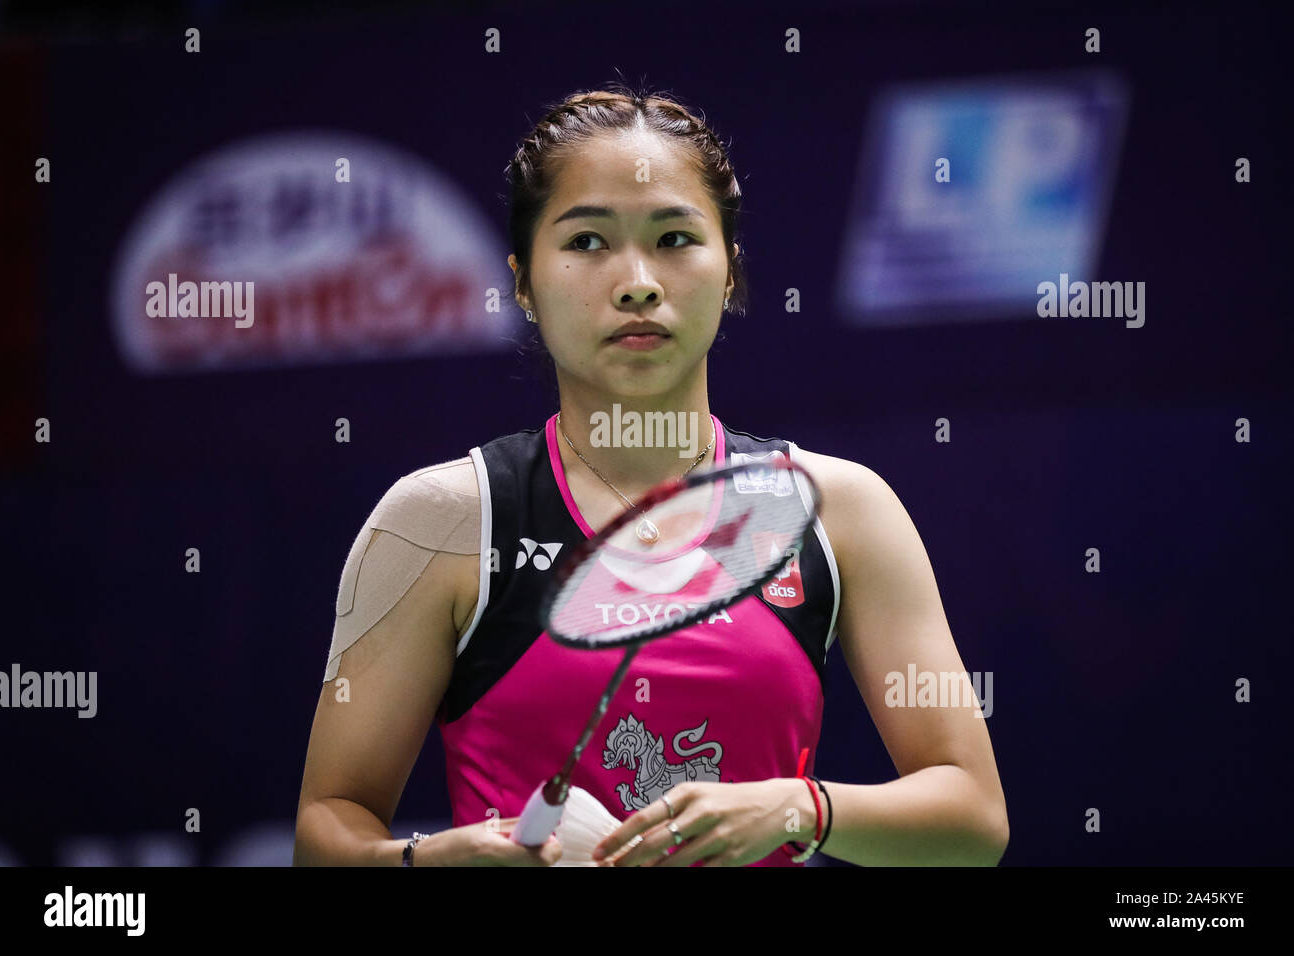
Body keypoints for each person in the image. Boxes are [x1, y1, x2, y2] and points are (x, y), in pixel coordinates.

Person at [293, 84, 1008, 867]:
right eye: (588, 242)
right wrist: (424, 862)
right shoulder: (442, 520)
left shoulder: (839, 511)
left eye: (674, 237)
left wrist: (799, 805)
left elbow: (972, 819)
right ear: (524, 283)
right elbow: (328, 831)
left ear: (731, 272)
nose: (637, 281)